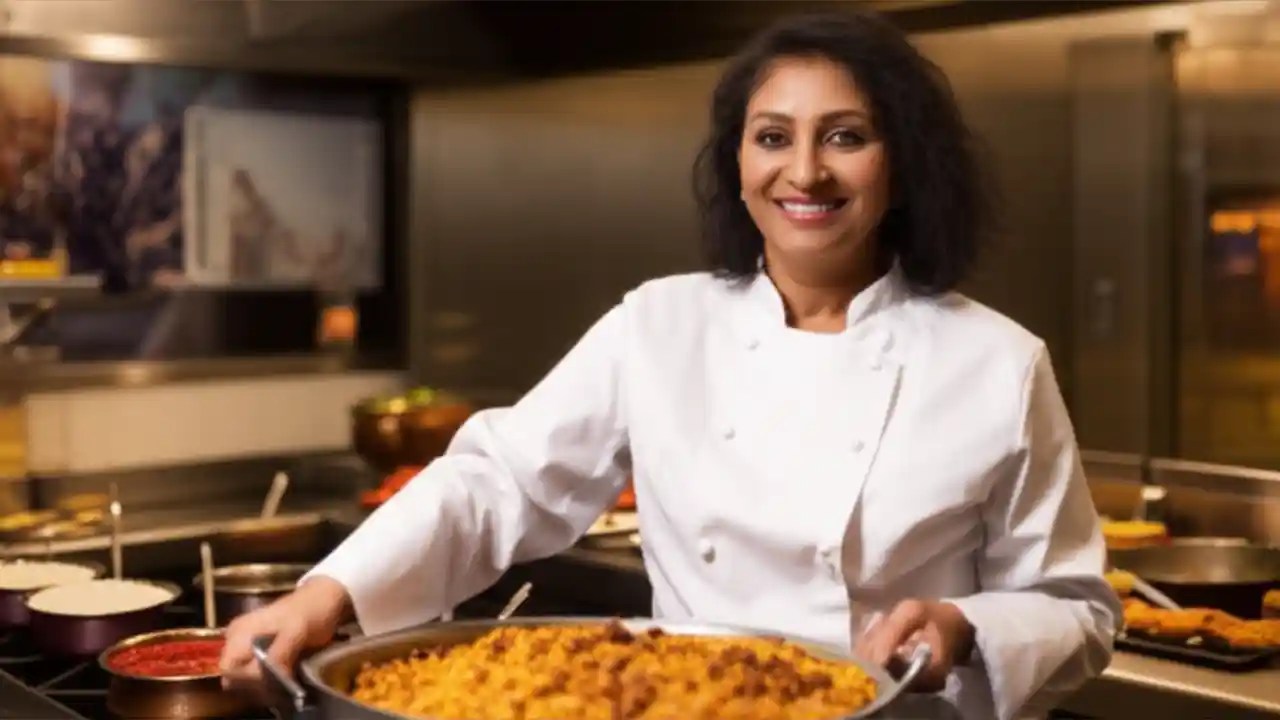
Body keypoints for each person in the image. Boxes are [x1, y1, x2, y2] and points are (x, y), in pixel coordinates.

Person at [221, 10, 1120, 719]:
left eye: (845, 136)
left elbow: (1077, 605)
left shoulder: (996, 362)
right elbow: (498, 483)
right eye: (773, 137)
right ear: (738, 164)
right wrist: (328, 592)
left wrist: (965, 628)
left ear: (903, 167)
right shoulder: (659, 323)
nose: (804, 172)